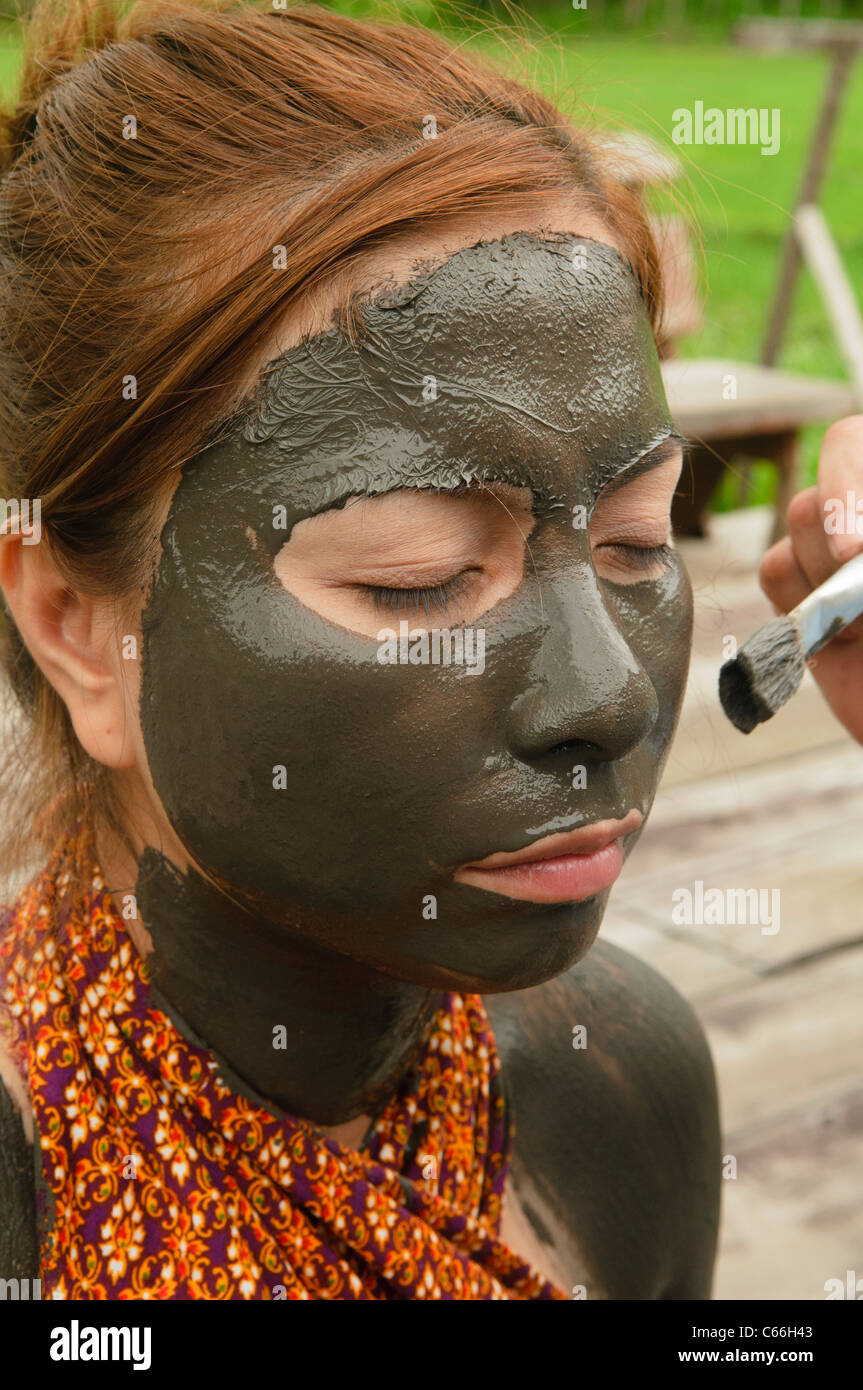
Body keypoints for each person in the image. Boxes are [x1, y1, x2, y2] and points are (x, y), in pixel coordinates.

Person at [0, 0, 854, 1303]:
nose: (605, 692)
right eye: (421, 577)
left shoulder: (615, 1089)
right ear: (76, 626)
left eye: (637, 536)